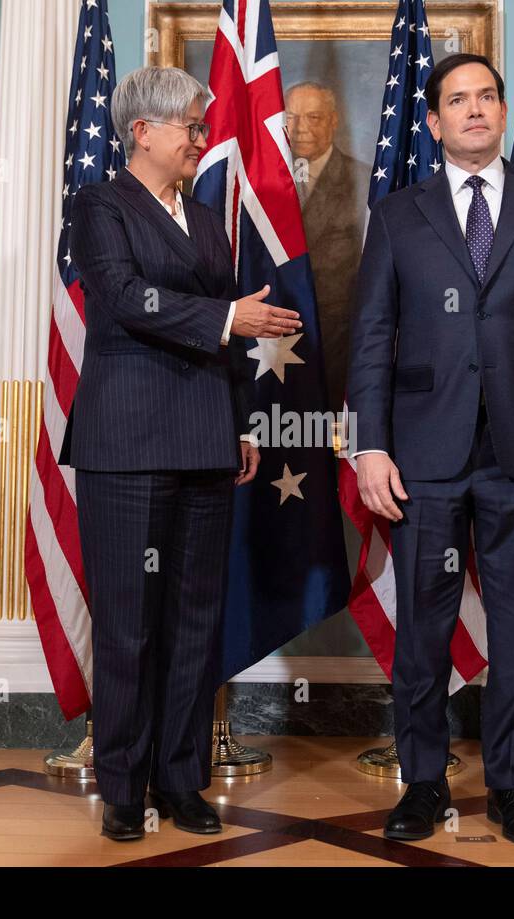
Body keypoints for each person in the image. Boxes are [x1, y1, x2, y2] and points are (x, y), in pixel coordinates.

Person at [346, 53, 514, 846]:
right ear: (432, 124)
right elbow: (369, 340)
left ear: (505, 113)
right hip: (423, 455)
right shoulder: (400, 215)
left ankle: (510, 788)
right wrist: (368, 448)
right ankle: (423, 784)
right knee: (424, 631)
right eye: (458, 101)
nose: (475, 110)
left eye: (487, 97)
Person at [60, 66, 302, 841]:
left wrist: (238, 424)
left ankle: (182, 777)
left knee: (196, 621)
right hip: (125, 446)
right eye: (191, 128)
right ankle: (124, 788)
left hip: (205, 441)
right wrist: (228, 315)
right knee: (129, 625)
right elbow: (128, 300)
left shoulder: (206, 222)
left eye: (202, 128)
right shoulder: (98, 205)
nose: (202, 140)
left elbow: (224, 344)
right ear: (144, 132)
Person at [284, 81, 368, 415]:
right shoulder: (258, 182)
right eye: (292, 117)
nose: (301, 129)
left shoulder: (363, 181)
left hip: (339, 348)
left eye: (314, 117)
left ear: (334, 121)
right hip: (272, 345)